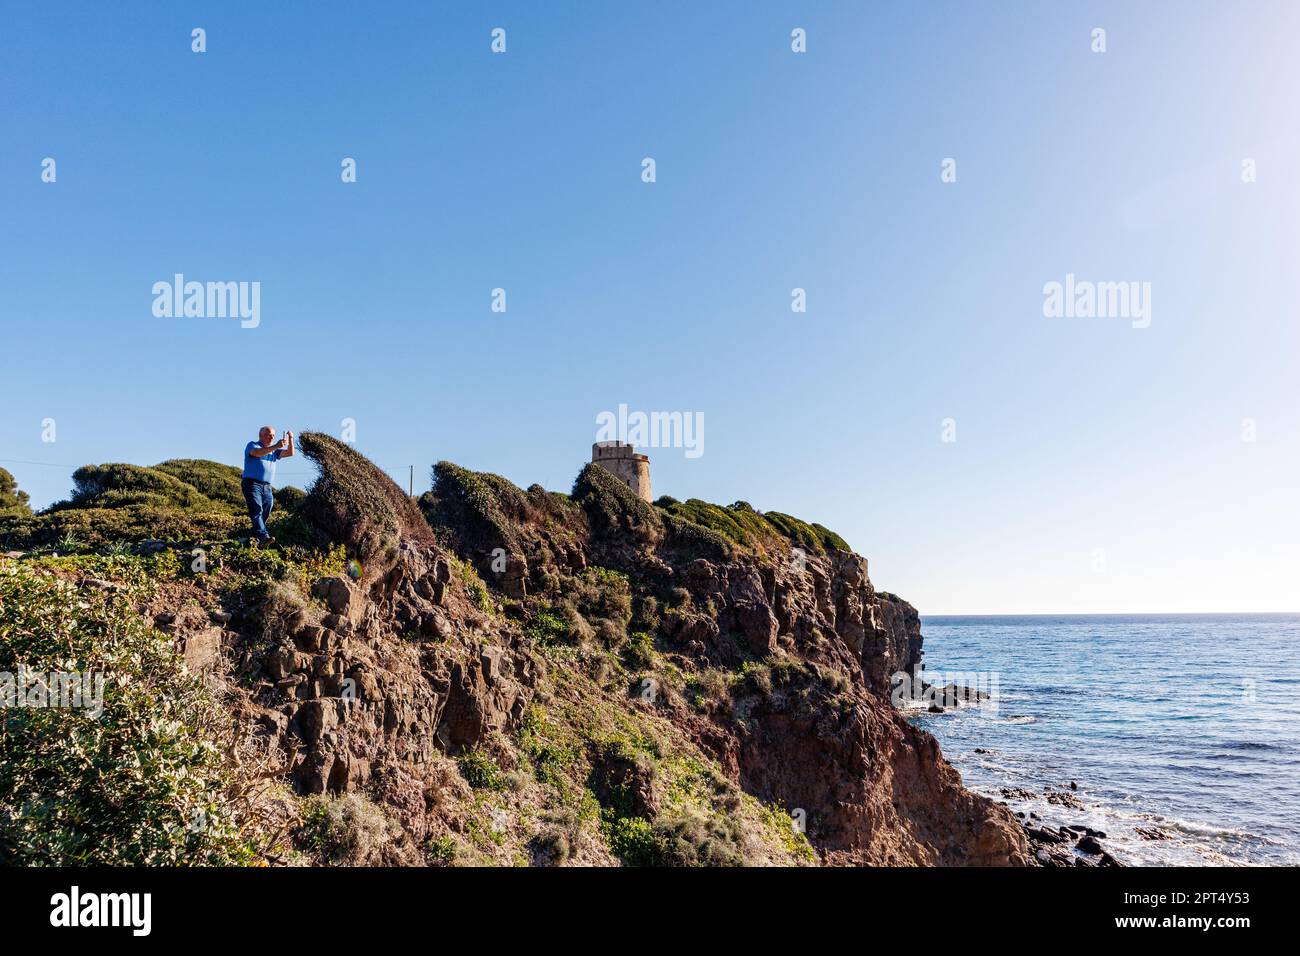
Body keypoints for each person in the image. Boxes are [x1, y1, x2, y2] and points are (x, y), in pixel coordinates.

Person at [242, 426, 293, 545]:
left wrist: (290, 438)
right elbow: (257, 453)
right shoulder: (253, 445)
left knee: (266, 510)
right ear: (261, 435)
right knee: (256, 509)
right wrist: (276, 446)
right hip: (252, 483)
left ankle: (256, 536)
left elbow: (290, 453)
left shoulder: (274, 451)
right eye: (268, 435)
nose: (271, 437)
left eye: (273, 435)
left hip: (267, 486)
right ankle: (263, 536)